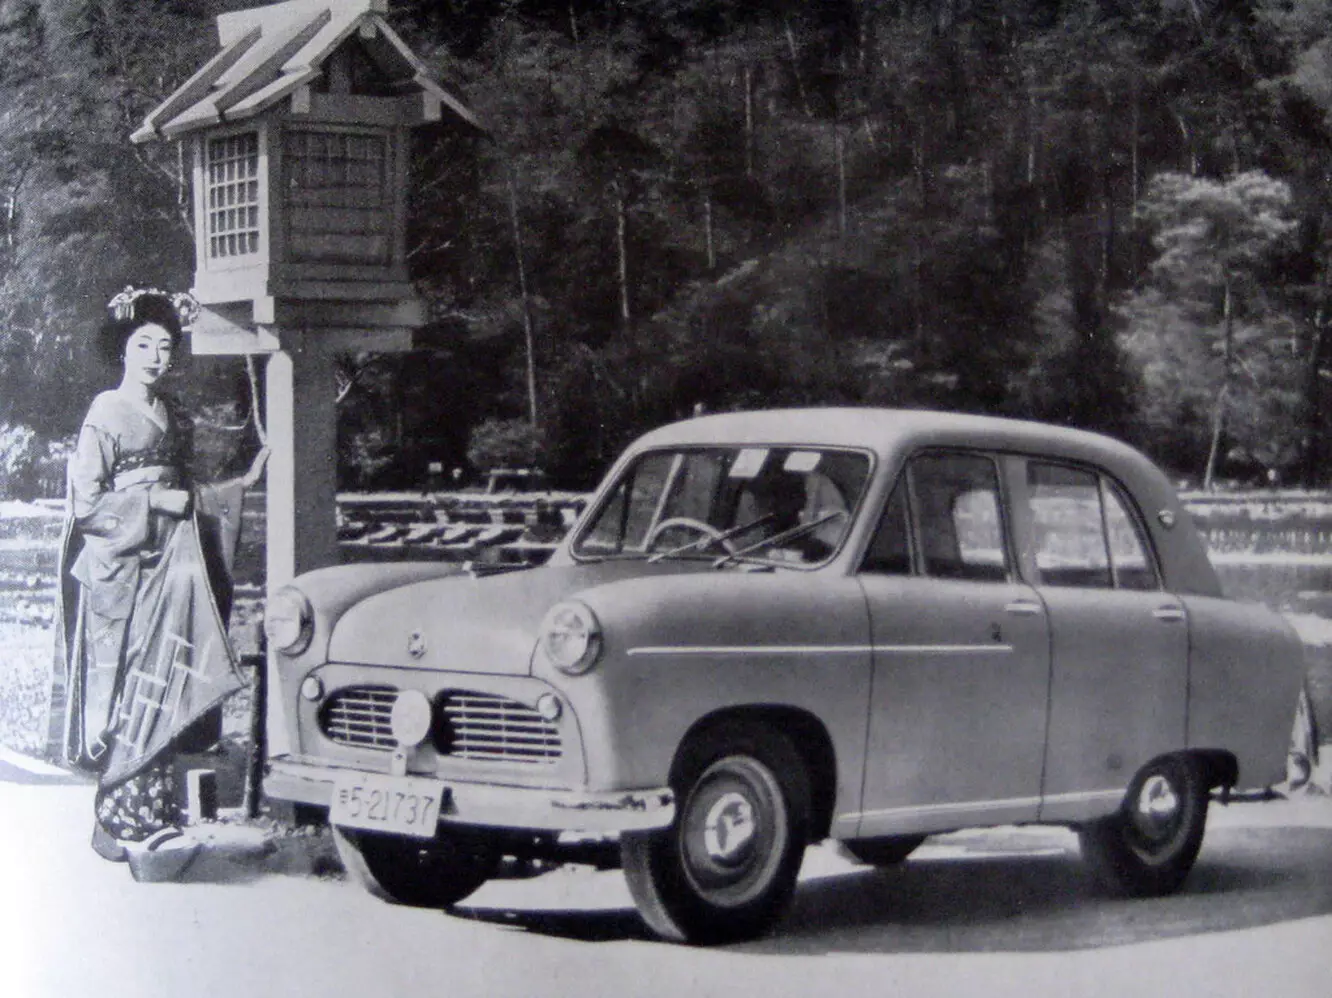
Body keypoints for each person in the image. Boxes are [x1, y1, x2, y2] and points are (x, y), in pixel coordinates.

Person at [45, 289, 268, 863]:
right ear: (122, 349)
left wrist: (237, 487)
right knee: (127, 686)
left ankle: (149, 815)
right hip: (123, 570)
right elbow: (89, 503)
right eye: (143, 343)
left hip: (173, 566)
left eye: (165, 346)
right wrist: (154, 505)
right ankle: (122, 817)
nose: (155, 356)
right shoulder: (105, 411)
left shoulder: (171, 412)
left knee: (165, 681)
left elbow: (188, 493)